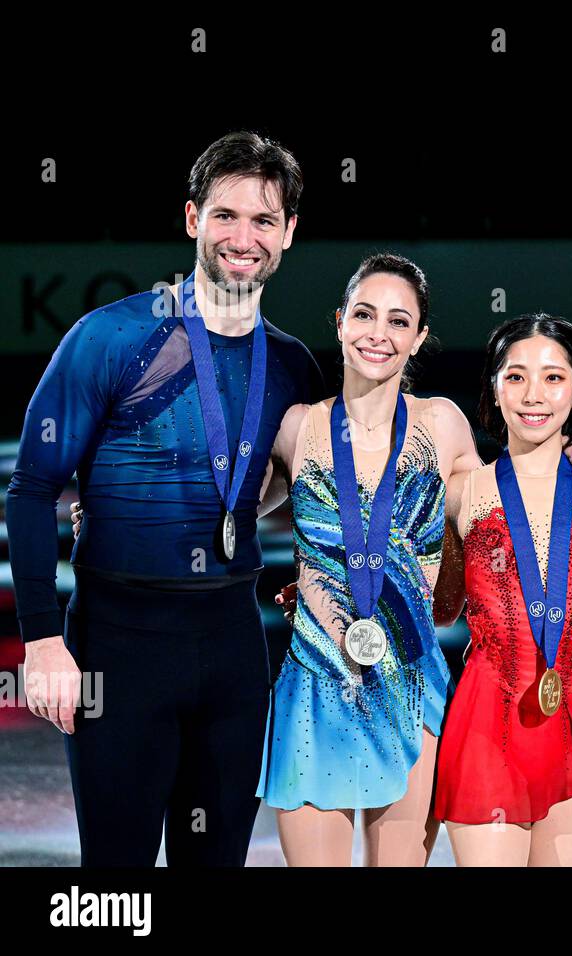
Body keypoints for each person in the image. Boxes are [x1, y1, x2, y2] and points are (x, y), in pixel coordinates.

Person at [8, 131, 327, 866]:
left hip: (232, 653)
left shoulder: (290, 364)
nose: (242, 238)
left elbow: (276, 481)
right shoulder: (113, 337)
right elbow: (31, 489)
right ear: (192, 220)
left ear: (288, 235)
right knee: (114, 881)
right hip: (119, 651)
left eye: (263, 220)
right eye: (225, 216)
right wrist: (43, 638)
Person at [250, 253, 471, 866]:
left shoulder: (442, 423)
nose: (380, 332)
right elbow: (231, 508)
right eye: (366, 315)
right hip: (316, 681)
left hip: (409, 681)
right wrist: (113, 507)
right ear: (341, 321)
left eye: (400, 321)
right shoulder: (297, 427)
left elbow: (500, 506)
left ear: (419, 337)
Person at [432, 314, 572, 866]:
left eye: (553, 377)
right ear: (494, 387)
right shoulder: (461, 490)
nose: (534, 395)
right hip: (489, 716)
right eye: (515, 377)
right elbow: (442, 608)